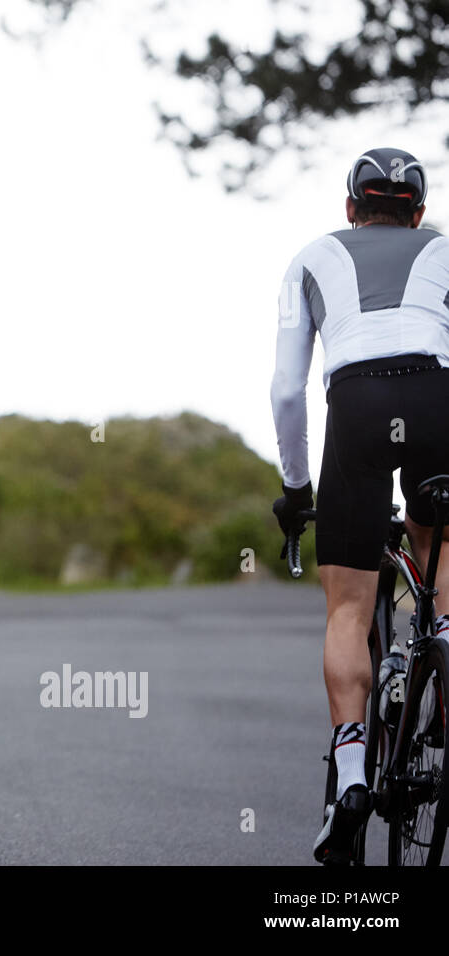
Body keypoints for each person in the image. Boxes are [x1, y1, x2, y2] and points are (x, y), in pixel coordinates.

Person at [271, 146, 449, 864]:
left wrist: (294, 491)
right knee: (442, 567)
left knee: (349, 609)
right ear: (419, 211)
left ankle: (350, 774)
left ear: (351, 207)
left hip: (357, 403)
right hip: (437, 397)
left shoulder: (311, 257)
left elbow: (287, 391)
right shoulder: (443, 249)